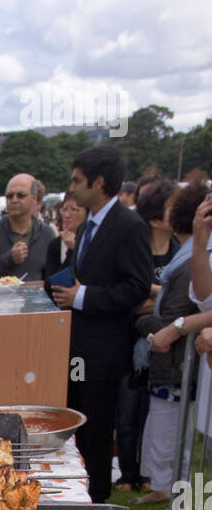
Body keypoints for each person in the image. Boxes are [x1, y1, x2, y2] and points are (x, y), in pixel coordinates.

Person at [49, 146, 153, 503]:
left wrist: (82, 297)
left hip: (104, 355)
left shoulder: (129, 226)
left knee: (95, 433)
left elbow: (137, 288)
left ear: (99, 182)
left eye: (77, 181)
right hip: (77, 351)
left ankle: (95, 506)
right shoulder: (90, 224)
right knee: (76, 423)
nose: (72, 188)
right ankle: (76, 497)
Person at [138, 183, 209, 510]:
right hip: (173, 358)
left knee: (178, 435)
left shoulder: (195, 253)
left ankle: (181, 503)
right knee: (164, 429)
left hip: (181, 360)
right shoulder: (189, 252)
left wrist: (160, 326)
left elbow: (189, 305)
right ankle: (165, 489)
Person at [112, 177, 177, 491]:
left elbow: (180, 303)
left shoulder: (179, 250)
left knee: (158, 414)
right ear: (155, 218)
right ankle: (128, 472)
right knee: (128, 410)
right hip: (129, 345)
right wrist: (159, 295)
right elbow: (130, 298)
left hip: (167, 349)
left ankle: (153, 475)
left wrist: (154, 297)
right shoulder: (135, 248)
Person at [0, 173, 55, 282]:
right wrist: (9, 259)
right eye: (10, 196)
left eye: (21, 195)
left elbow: (53, 278)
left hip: (36, 298)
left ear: (34, 198)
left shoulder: (46, 234)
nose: (14, 200)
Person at [44, 194, 87, 277]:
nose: (67, 215)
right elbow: (50, 283)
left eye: (74, 210)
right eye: (64, 209)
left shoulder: (91, 241)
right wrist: (71, 252)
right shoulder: (56, 244)